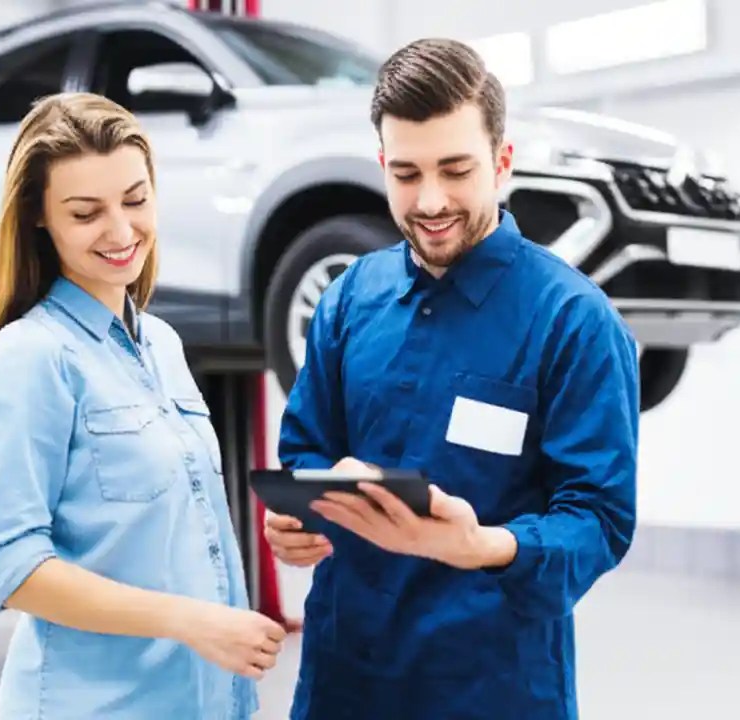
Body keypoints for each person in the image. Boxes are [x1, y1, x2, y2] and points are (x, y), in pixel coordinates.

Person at [266, 38, 640, 719]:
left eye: (455, 170)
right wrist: (299, 523)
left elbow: (598, 519)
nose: (430, 200)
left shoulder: (573, 320)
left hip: (492, 688)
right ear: (382, 165)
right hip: (343, 681)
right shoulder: (348, 299)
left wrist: (480, 546)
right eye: (406, 174)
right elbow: (306, 455)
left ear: (502, 162)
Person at [0, 93, 284, 719]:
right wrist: (192, 622)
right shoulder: (31, 358)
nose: (120, 231)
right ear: (38, 217)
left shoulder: (161, 344)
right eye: (86, 213)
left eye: (135, 201)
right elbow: (9, 564)